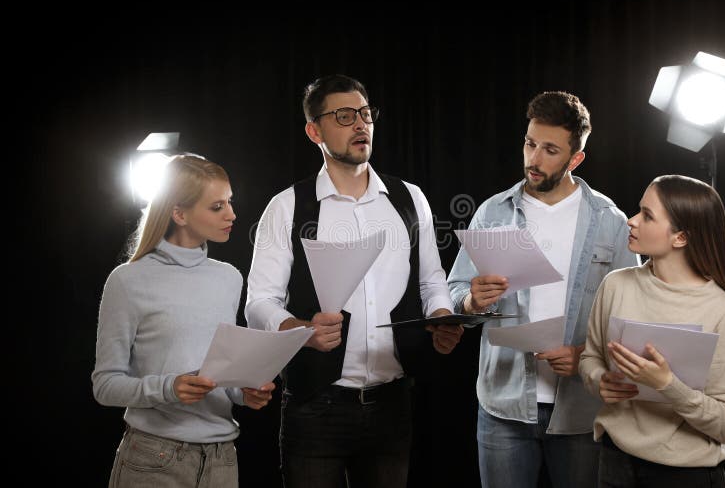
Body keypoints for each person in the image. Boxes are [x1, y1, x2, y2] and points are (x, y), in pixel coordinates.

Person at [245, 74, 464, 488]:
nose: (361, 124)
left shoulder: (409, 198)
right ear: (315, 131)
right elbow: (259, 302)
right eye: (344, 116)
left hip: (393, 403)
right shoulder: (288, 205)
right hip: (315, 407)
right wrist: (300, 331)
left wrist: (442, 317)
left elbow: (432, 281)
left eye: (365, 114)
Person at [448, 91, 639, 487]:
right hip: (503, 406)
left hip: (581, 411)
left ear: (575, 159)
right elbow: (455, 298)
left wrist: (586, 354)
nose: (533, 159)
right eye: (530, 143)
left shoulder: (610, 220)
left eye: (549, 150)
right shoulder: (493, 212)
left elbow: (632, 320)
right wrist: (471, 299)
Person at [92, 154, 275, 488]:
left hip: (222, 460)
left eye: (230, 202)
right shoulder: (128, 280)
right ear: (179, 213)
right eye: (217, 207)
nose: (232, 214)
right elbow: (105, 385)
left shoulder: (229, 278)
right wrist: (168, 388)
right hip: (154, 458)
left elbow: (220, 374)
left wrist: (242, 392)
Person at [579, 174, 725, 487]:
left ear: (681, 238)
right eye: (638, 210)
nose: (631, 221)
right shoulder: (616, 286)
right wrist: (599, 381)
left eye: (647, 216)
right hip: (615, 462)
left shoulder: (724, 312)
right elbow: (590, 357)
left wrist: (667, 385)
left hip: (685, 475)